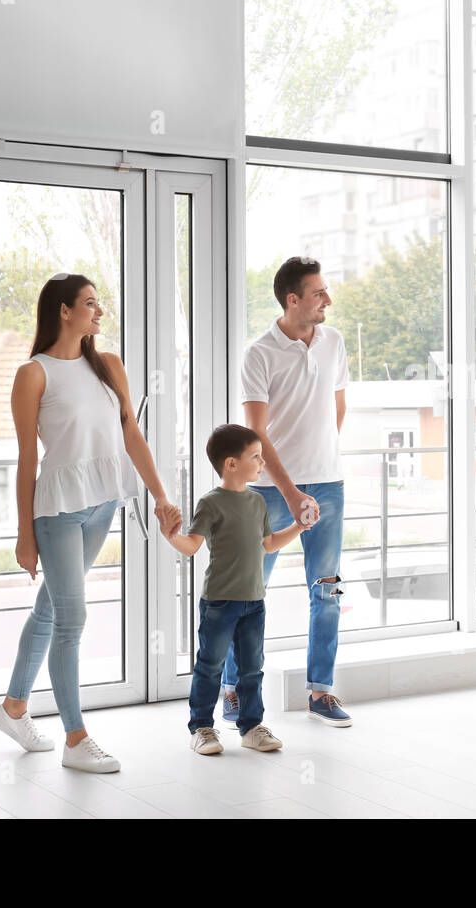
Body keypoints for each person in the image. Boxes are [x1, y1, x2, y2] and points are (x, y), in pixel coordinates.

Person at [0, 272, 181, 773]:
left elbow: (131, 435)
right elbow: (27, 458)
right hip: (57, 509)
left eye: (99, 304)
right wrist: (24, 534)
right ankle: (76, 740)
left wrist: (160, 496)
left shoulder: (110, 365)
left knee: (51, 609)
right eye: (91, 304)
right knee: (71, 620)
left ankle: (13, 707)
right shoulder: (34, 374)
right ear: (63, 310)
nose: (99, 312)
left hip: (102, 502)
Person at [220, 256, 352, 727]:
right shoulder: (260, 354)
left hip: (329, 485)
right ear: (292, 299)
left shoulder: (334, 342)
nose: (327, 301)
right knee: (249, 590)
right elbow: (255, 437)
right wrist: (293, 490)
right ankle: (232, 688)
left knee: (328, 590)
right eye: (318, 294)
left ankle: (321, 692)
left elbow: (337, 409)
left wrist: (320, 468)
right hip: (271, 493)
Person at [161, 424, 309, 754]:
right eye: (256, 457)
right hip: (219, 602)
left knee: (252, 668)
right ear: (231, 464)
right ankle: (201, 727)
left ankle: (251, 726)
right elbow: (191, 546)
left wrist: (298, 526)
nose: (262, 463)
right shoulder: (211, 503)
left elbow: (269, 544)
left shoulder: (257, 502)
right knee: (210, 666)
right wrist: (171, 535)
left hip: (254, 601)